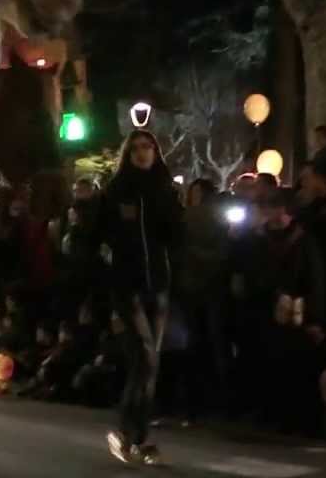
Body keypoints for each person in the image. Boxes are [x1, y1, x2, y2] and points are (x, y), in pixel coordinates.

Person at [101, 130, 183, 466]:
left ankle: (138, 437)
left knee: (148, 365)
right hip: (127, 287)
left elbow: (177, 236)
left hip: (158, 286)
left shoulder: (164, 189)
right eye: (135, 148)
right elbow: (98, 241)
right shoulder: (116, 191)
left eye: (148, 146)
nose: (142, 153)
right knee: (145, 358)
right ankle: (127, 432)